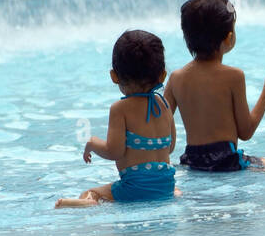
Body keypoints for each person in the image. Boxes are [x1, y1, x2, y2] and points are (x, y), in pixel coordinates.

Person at [55, 29, 180, 207]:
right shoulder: (164, 104)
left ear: (114, 76)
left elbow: (114, 151)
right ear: (162, 75)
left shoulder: (120, 109)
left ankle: (89, 202)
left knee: (91, 193)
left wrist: (92, 143)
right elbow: (170, 147)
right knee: (170, 190)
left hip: (134, 189)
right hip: (165, 186)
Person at [168, 0, 265, 171]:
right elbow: (246, 132)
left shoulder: (175, 78)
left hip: (191, 161)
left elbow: (161, 126)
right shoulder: (234, 76)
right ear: (229, 38)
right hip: (226, 161)